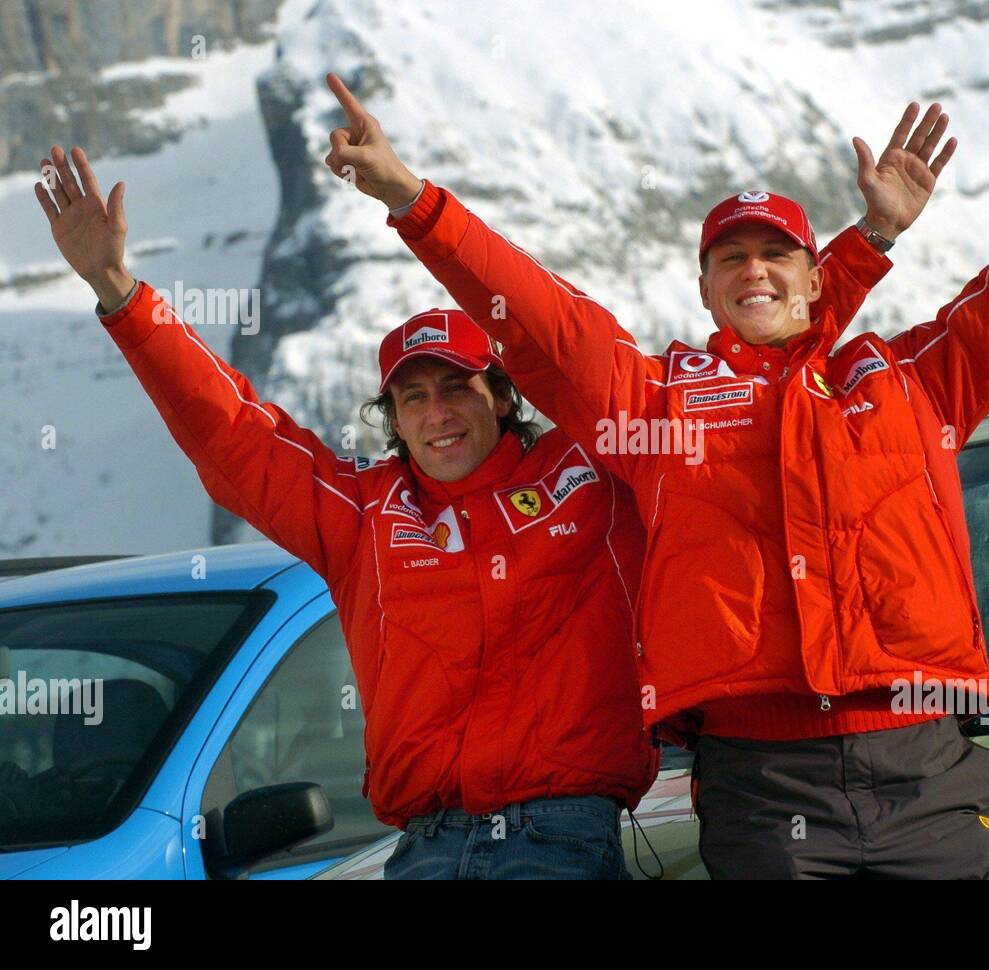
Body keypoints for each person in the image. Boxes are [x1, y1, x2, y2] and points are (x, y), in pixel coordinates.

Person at [323, 20, 989, 880]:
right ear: (704, 288)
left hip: (927, 772)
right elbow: (537, 318)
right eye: (730, 258)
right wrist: (412, 198)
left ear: (820, 277)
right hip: (764, 795)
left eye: (776, 254)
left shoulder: (912, 381)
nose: (753, 270)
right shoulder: (654, 410)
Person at [32, 89, 892, 877]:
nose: (439, 412)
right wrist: (121, 293)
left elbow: (758, 379)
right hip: (420, 848)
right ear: (393, 418)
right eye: (415, 397)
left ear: (502, 397)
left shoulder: (598, 469)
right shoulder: (363, 515)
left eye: (458, 387)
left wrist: (859, 252)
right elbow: (236, 438)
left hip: (563, 837)